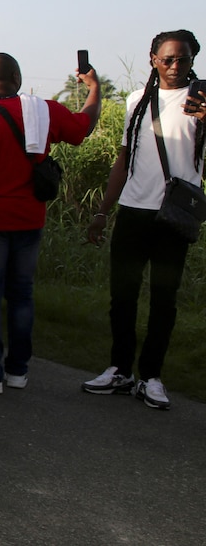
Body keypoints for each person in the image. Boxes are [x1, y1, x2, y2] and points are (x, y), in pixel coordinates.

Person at [0, 53, 100, 394]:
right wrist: (94, 89)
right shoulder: (44, 111)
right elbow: (83, 127)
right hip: (30, 221)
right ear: (16, 76)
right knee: (21, 295)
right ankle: (17, 372)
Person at [82, 30, 206, 410]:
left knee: (164, 299)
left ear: (191, 60)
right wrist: (103, 211)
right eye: (166, 58)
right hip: (134, 211)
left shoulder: (202, 98)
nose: (174, 66)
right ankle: (120, 369)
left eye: (182, 59)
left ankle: (151, 376)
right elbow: (124, 160)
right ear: (152, 58)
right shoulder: (138, 100)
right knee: (123, 295)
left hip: (175, 215)